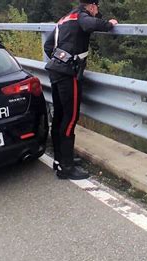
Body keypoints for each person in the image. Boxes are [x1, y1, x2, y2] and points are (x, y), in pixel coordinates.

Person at [44, 0, 118, 180]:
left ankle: (60, 160)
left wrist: (61, 60)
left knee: (60, 116)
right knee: (70, 119)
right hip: (68, 75)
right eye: (96, 9)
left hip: (55, 70)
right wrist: (110, 24)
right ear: (92, 6)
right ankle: (66, 168)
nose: (96, 12)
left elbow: (48, 46)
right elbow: (90, 24)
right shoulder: (81, 16)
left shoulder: (64, 19)